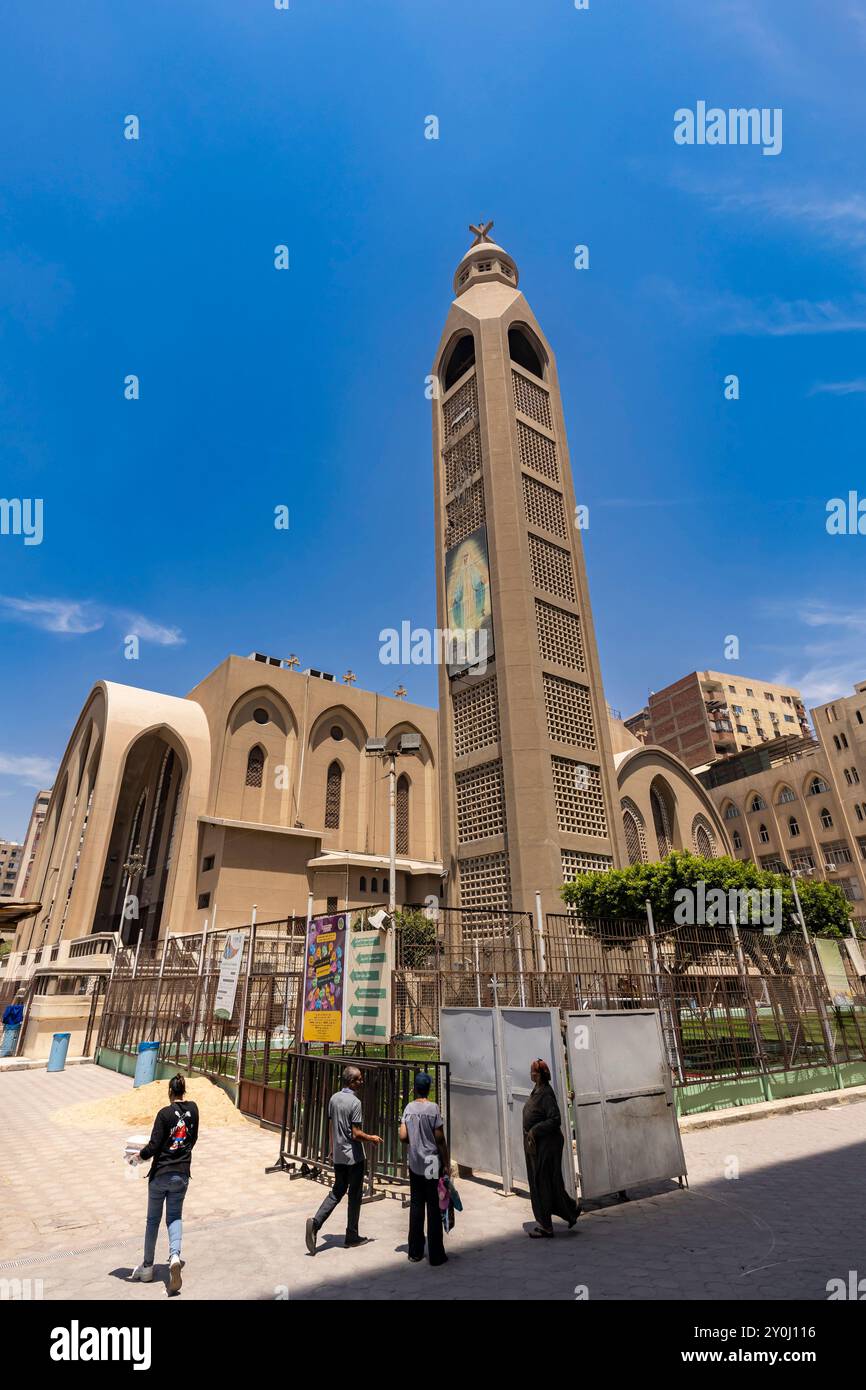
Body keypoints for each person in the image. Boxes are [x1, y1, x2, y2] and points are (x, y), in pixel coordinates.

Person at [129, 1074, 199, 1293]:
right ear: (183, 1090)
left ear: (169, 1091)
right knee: (174, 1217)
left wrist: (136, 1158)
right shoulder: (194, 1110)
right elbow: (193, 1138)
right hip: (181, 1174)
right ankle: (175, 1256)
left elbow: (153, 1146)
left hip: (160, 1175)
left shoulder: (164, 1114)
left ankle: (148, 1267)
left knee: (153, 1221)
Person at [305, 1065, 381, 1255]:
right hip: (354, 1157)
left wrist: (332, 1149)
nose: (361, 1082)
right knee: (354, 1196)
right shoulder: (355, 1103)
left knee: (337, 1191)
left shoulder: (334, 1098)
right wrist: (371, 1138)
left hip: (338, 1154)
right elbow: (355, 1134)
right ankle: (352, 1235)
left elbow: (332, 1127)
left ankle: (316, 1223)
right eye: (359, 1079)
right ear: (351, 1081)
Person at [522, 1058, 580, 1238]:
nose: (531, 1074)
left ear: (539, 1075)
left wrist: (535, 1130)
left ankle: (547, 1225)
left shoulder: (546, 1093)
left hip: (548, 1145)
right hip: (538, 1145)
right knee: (547, 1182)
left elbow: (555, 1119)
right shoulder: (537, 1090)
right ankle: (570, 1211)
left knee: (544, 1183)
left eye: (533, 1071)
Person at [399, 1071, 449, 1266]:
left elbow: (403, 1136)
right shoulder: (433, 1109)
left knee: (417, 1205)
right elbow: (440, 1138)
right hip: (431, 1162)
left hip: (415, 1161)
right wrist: (445, 1161)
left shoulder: (408, 1108)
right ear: (428, 1089)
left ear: (415, 1089)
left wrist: (415, 1138)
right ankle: (436, 1254)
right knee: (434, 1207)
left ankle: (415, 1251)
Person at [0, 991, 25, 1058]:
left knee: (7, 1038)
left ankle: (4, 1052)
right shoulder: (22, 1008)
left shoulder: (9, 1007)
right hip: (16, 1025)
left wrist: (4, 1022)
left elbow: (5, 1016)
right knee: (15, 1039)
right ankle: (12, 1052)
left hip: (8, 1025)